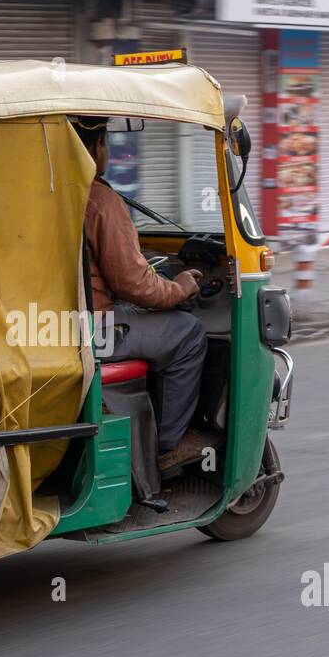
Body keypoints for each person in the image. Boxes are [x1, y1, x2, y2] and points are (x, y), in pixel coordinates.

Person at [72, 116, 208, 468]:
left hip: (45, 325)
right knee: (188, 332)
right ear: (93, 148)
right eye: (104, 144)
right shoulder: (98, 199)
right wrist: (178, 288)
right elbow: (134, 284)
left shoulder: (44, 193)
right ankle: (166, 447)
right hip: (89, 332)